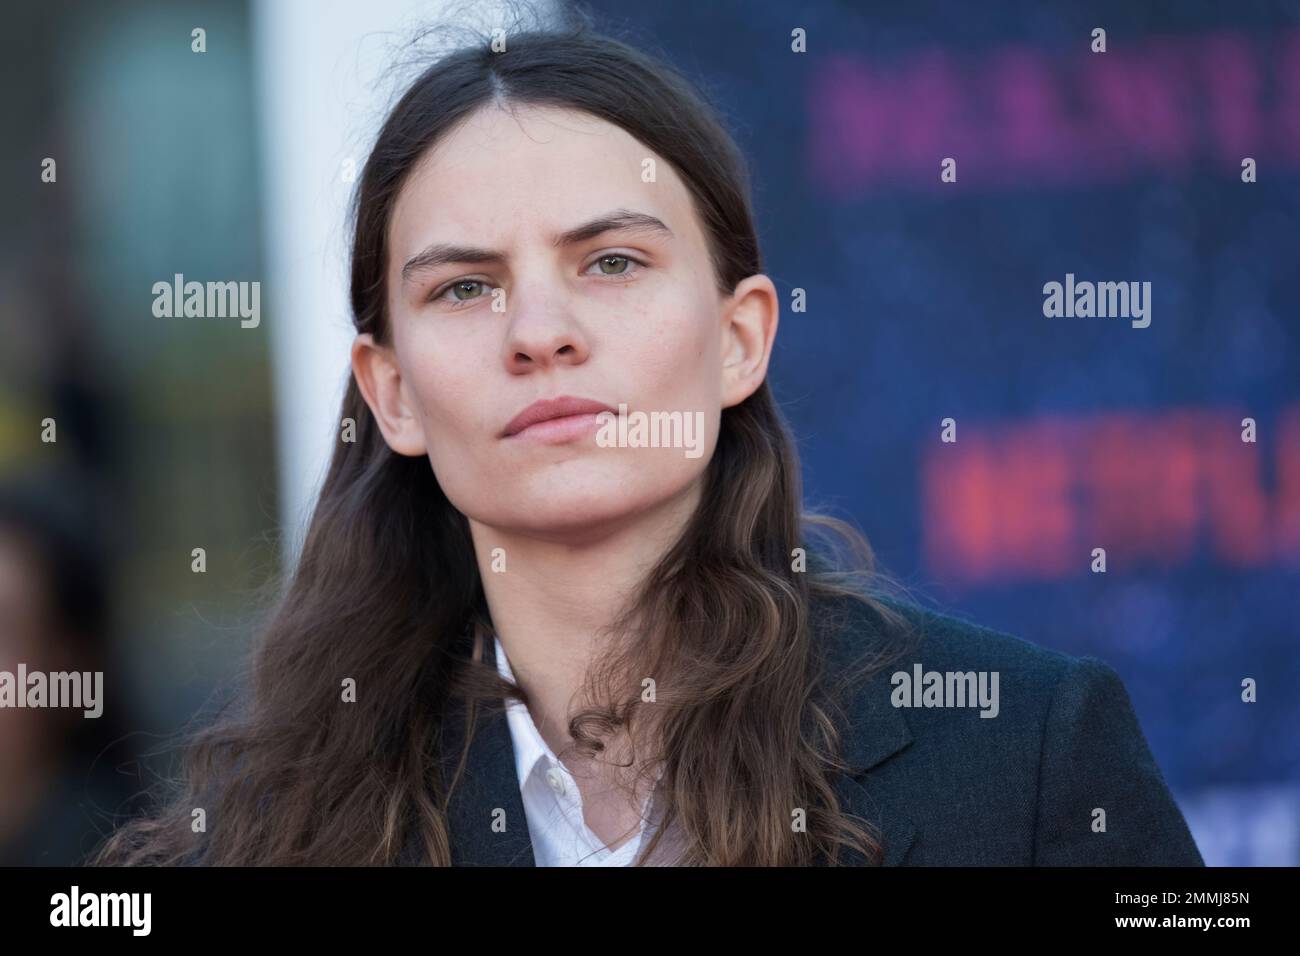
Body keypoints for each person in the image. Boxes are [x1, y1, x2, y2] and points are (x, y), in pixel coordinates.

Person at [93, 15, 1203, 867]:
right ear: (392, 394)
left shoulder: (1028, 754)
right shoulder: (261, 838)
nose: (539, 333)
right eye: (466, 286)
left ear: (739, 339)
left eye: (612, 262)